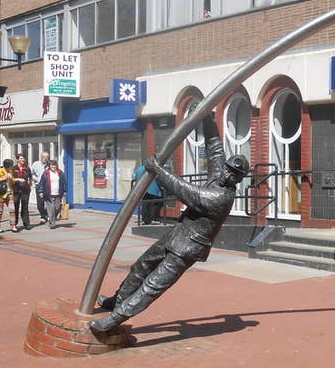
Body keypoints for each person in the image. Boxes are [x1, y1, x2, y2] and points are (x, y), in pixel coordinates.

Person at [92, 115, 251, 332]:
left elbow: (187, 192)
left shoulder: (222, 197)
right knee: (141, 266)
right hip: (177, 235)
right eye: (227, 169)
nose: (227, 174)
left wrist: (158, 170)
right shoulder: (218, 176)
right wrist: (208, 121)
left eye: (233, 174)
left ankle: (115, 319)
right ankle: (117, 300)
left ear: (239, 180)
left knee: (153, 285)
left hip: (188, 249)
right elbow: (215, 150)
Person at [36, 159, 67, 229]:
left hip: (58, 194)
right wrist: (41, 191)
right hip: (49, 194)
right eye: (52, 165)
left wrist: (65, 191)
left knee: (57, 208)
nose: (53, 167)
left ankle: (52, 218)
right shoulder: (46, 173)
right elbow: (42, 183)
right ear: (49, 166)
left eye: (54, 165)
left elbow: (64, 182)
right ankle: (52, 223)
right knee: (51, 208)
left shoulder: (60, 173)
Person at [12, 153, 34, 230]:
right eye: (21, 158)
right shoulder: (13, 168)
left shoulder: (27, 168)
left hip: (25, 191)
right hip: (16, 190)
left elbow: (30, 178)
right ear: (17, 159)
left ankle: (26, 224)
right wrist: (17, 179)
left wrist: (30, 186)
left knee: (25, 207)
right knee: (15, 207)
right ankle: (14, 224)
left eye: (24, 158)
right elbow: (10, 179)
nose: (23, 160)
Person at [31, 151, 50, 224]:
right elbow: (31, 174)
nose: (45, 158)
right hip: (39, 185)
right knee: (40, 203)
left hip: (48, 186)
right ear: (41, 157)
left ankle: (45, 216)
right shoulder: (36, 164)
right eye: (43, 157)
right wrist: (37, 179)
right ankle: (43, 215)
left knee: (49, 202)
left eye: (47, 157)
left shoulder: (50, 165)